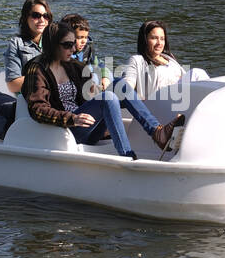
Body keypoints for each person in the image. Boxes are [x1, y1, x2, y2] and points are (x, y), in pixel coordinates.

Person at [22, 20, 184, 159]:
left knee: (119, 85)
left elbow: (100, 72)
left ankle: (157, 132)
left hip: (87, 125)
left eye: (73, 44)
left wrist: (98, 86)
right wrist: (72, 118)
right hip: (66, 130)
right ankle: (126, 155)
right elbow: (37, 109)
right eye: (67, 45)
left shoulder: (72, 66)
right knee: (108, 97)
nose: (73, 49)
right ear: (52, 45)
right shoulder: (37, 70)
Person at [118, 20, 187, 101]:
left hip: (179, 100)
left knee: (197, 73)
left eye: (162, 39)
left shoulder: (170, 58)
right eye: (154, 38)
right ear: (145, 40)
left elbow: (186, 80)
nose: (159, 43)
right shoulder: (137, 60)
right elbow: (128, 86)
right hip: (156, 103)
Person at [5, 0, 54, 94]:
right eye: (36, 15)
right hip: (27, 101)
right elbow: (13, 85)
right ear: (25, 18)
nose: (41, 20)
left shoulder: (56, 42)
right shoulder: (16, 44)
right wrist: (49, 78)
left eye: (46, 16)